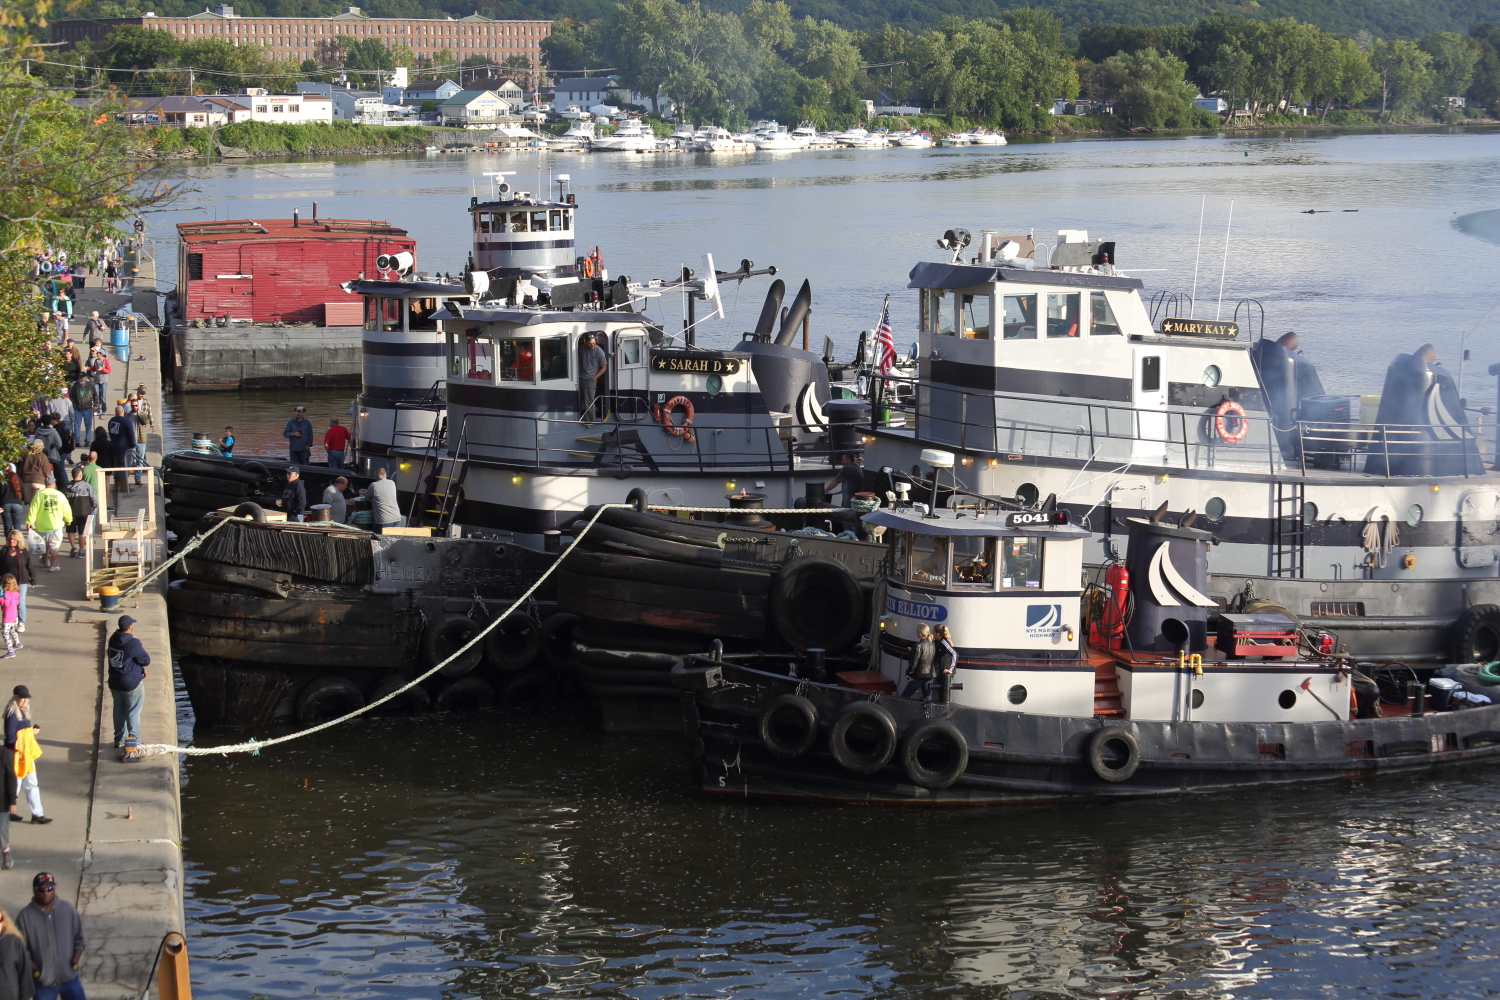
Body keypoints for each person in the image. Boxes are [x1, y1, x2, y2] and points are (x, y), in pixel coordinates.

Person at [16, 872, 84, 999]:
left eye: (49, 888)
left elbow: (79, 938)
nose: (46, 892)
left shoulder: (67, 909)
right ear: (34, 891)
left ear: (54, 888)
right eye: (41, 889)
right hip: (43, 985)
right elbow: (20, 950)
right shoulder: (24, 917)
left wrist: (74, 961)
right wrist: (36, 970)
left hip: (70, 980)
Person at [4, 689, 47, 824]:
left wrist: (29, 733)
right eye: (23, 698)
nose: (25, 701)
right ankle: (8, 812)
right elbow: (10, 738)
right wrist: (30, 732)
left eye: (27, 698)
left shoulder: (23, 713)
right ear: (15, 698)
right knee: (14, 785)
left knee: (32, 784)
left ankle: (37, 814)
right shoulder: (12, 714)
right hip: (15, 755)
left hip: (25, 755)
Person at [107, 615, 148, 748]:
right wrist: (140, 667)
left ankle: (119, 739)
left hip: (114, 681)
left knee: (118, 709)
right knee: (133, 711)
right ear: (130, 626)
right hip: (131, 683)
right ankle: (135, 740)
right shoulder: (133, 643)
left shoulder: (113, 639)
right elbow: (145, 660)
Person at [24, 477, 68, 574]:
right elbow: (66, 509)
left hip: (41, 525)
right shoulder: (60, 495)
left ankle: (45, 560)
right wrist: (68, 519)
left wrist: (29, 521)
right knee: (54, 546)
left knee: (43, 544)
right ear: (54, 483)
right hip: (56, 525)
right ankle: (53, 565)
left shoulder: (39, 495)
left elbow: (33, 510)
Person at [0, 534, 32, 635]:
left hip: (21, 581)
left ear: (19, 540)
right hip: (8, 582)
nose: (12, 541)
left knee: (21, 603)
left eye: (14, 539)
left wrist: (33, 579)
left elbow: (29, 565)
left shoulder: (23, 551)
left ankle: (21, 623)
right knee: (7, 602)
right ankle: (11, 620)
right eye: (10, 539)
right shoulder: (4, 551)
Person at [60, 469, 93, 559]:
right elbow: (92, 498)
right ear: (80, 475)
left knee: (71, 531)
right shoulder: (86, 486)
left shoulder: (66, 487)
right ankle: (81, 551)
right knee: (82, 533)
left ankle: (73, 547)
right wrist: (94, 506)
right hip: (83, 512)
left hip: (70, 512)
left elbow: (61, 500)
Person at [106, 405, 135, 496]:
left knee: (117, 466)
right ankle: (124, 486)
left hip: (114, 446)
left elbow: (110, 433)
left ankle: (117, 484)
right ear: (123, 411)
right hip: (124, 447)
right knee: (125, 466)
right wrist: (133, 444)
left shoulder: (111, 421)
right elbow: (131, 434)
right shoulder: (126, 421)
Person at [901, 623, 935, 700]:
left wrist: (908, 674)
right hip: (929, 675)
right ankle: (929, 712)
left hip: (918, 676)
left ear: (919, 633)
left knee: (904, 697)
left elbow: (913, 663)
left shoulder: (918, 646)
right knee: (927, 698)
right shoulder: (933, 645)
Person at [578, 333, 607, 421]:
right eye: (590, 343)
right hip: (581, 377)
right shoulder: (582, 348)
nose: (592, 345)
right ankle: (580, 418)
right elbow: (579, 360)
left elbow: (604, 367)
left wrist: (595, 377)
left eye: (594, 343)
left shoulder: (599, 351)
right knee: (579, 399)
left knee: (589, 401)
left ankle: (591, 421)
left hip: (591, 379)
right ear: (586, 342)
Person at [0, 906, 30, 988]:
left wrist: (25, 996)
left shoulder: (13, 942)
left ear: (3, 921)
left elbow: (24, 972)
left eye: (0, 919)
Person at [66, 375, 93, 453]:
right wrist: (73, 403)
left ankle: (87, 441)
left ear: (85, 378)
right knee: (76, 425)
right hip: (77, 408)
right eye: (79, 378)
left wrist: (96, 405)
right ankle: (77, 441)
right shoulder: (75, 385)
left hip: (87, 408)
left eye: (82, 378)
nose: (80, 379)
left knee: (88, 425)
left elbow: (95, 395)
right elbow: (71, 395)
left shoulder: (90, 385)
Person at [933, 624, 957, 703]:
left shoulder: (944, 642)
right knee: (940, 695)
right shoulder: (937, 642)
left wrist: (951, 669)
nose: (932, 634)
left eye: (933, 632)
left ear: (937, 634)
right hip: (940, 673)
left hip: (946, 673)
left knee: (945, 696)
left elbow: (954, 653)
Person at [0, 468, 24, 539]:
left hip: (5, 503)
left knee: (7, 524)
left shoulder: (2, 480)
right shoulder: (16, 477)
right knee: (17, 524)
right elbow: (22, 488)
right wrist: (26, 500)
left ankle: (9, 542)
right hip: (17, 503)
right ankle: (17, 540)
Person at [0, 577, 19, 659]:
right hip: (13, 615)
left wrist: (1, 599)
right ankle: (17, 643)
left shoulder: (7, 594)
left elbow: (6, 603)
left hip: (7, 616)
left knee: (5, 633)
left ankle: (10, 651)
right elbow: (17, 602)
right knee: (12, 630)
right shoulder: (15, 593)